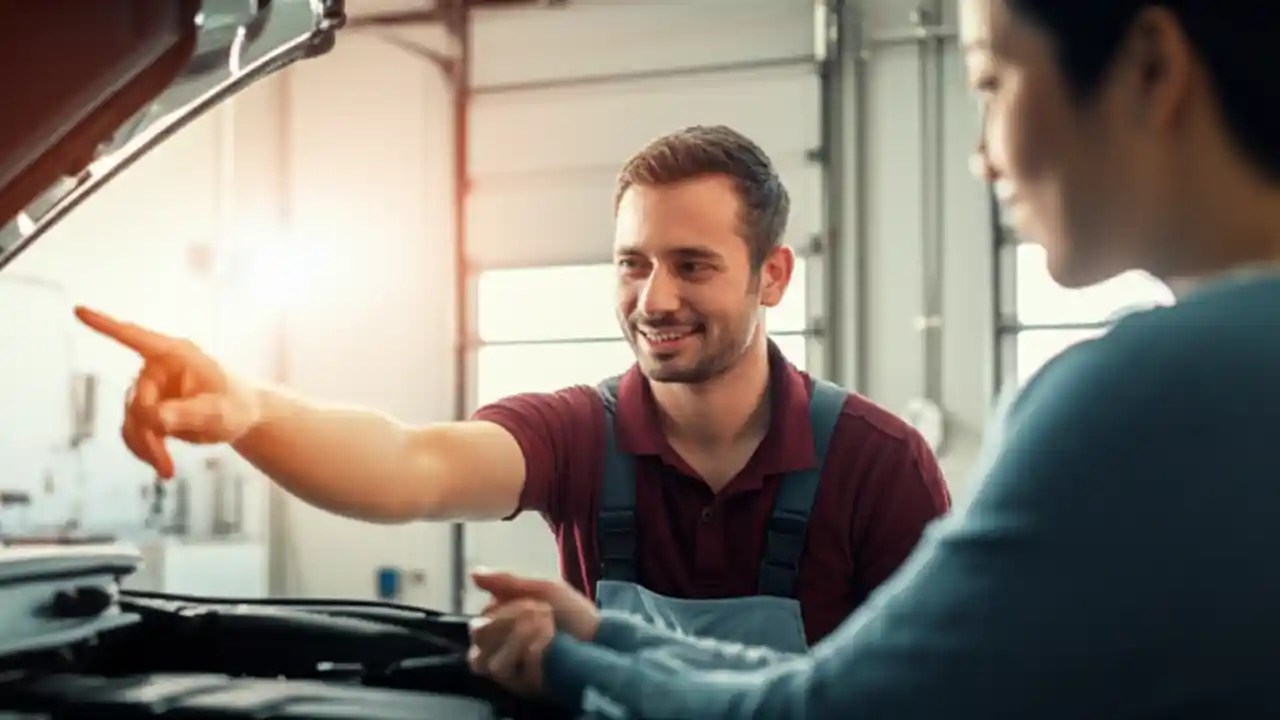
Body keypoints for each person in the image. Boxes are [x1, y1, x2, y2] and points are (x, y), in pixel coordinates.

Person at [464, 0, 1280, 716]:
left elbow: (843, 707)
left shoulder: (1143, 393)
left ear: (1149, 67)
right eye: (633, 263)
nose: (982, 156)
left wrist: (566, 663)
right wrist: (605, 634)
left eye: (992, 82)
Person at [76, 125, 951, 652]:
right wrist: (252, 410)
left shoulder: (879, 465)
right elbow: (407, 464)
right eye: (633, 265)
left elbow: (940, 681)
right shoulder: (580, 433)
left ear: (772, 276)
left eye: (693, 266)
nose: (655, 300)